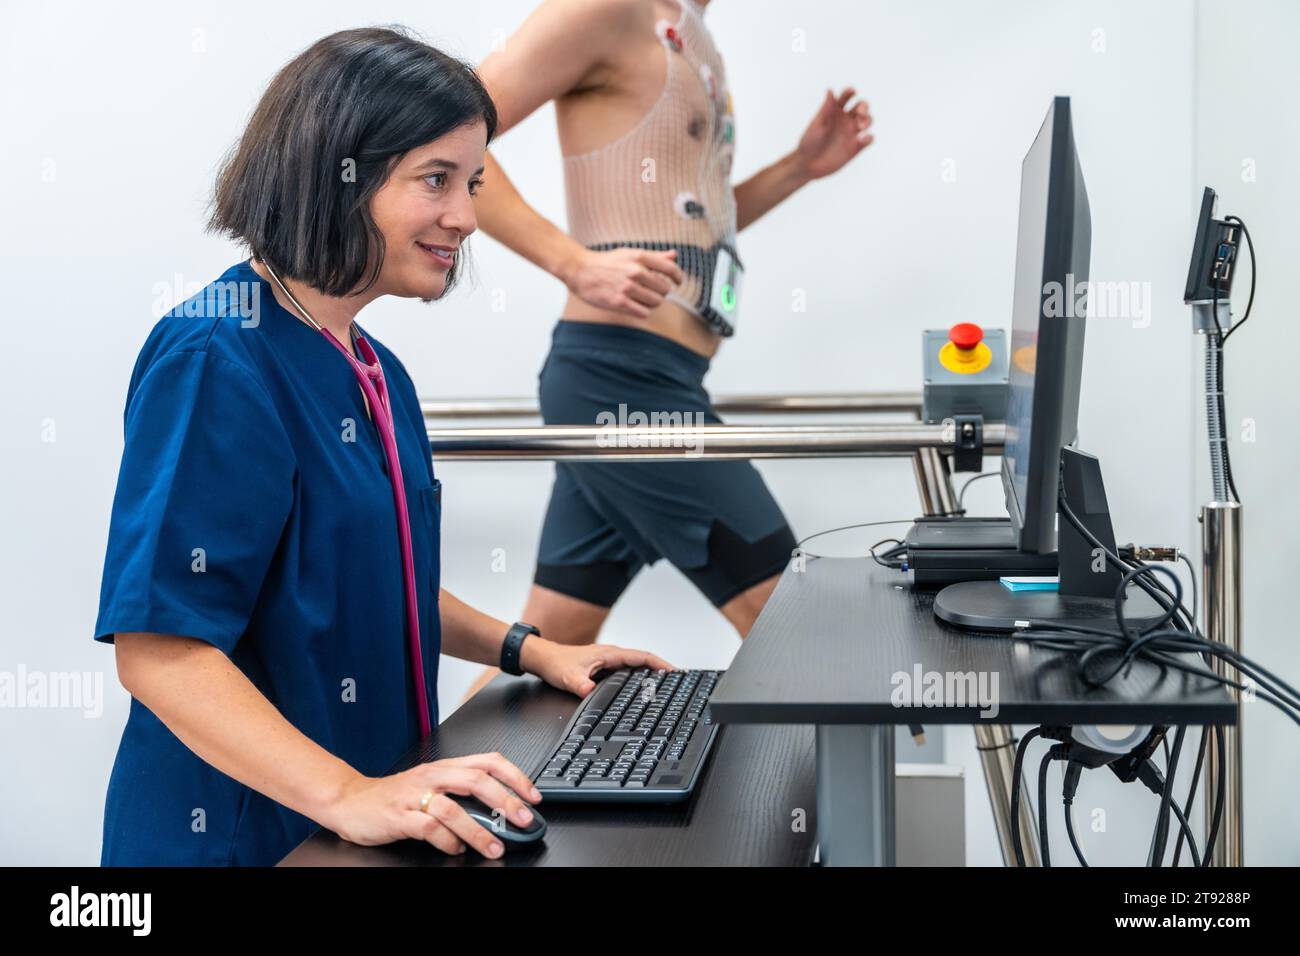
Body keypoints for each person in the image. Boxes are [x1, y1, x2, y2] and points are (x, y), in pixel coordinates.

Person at [93, 26, 670, 867]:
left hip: (369, 819)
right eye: (435, 180)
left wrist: (532, 649)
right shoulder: (216, 359)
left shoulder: (374, 369)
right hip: (247, 840)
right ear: (335, 172)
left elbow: (379, 579)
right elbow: (162, 652)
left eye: (470, 183)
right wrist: (349, 794)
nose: (467, 218)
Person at [464, 0, 874, 696]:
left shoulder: (694, 36)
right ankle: (820, 807)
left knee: (549, 646)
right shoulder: (602, 10)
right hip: (619, 384)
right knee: (798, 632)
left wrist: (799, 168)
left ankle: (449, 794)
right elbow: (444, 129)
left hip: (658, 378)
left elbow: (696, 216)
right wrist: (573, 262)